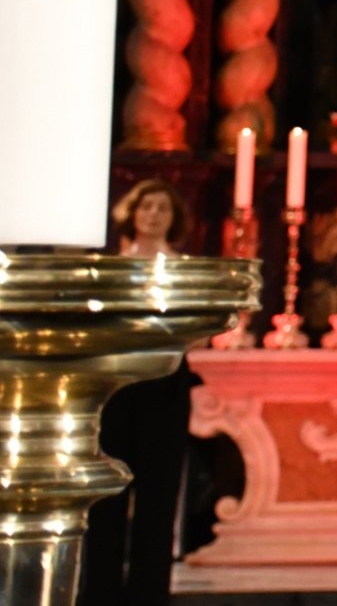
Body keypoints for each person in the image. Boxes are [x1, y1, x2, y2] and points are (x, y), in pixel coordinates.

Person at [78, 180, 197, 606]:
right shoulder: (112, 267)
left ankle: (149, 593)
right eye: (146, 207)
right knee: (109, 491)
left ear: (173, 217)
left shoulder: (184, 268)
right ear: (133, 213)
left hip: (165, 384)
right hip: (120, 384)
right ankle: (102, 592)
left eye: (162, 208)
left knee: (159, 493)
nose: (153, 215)